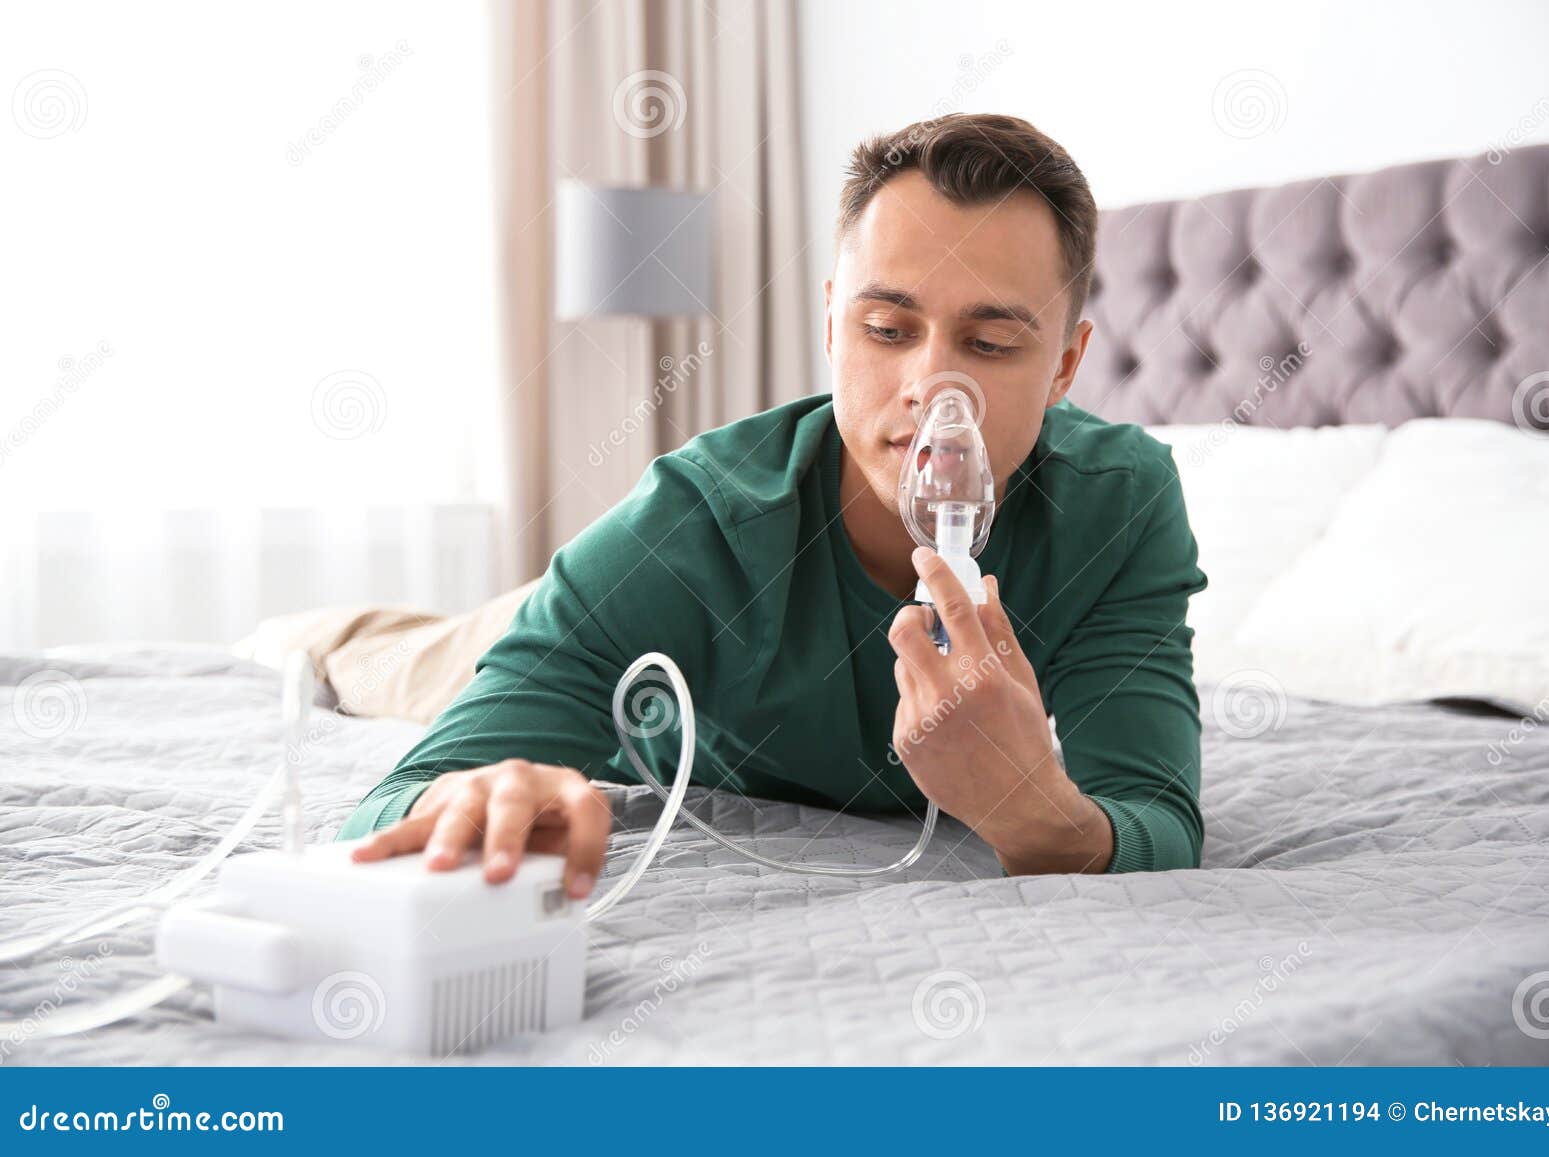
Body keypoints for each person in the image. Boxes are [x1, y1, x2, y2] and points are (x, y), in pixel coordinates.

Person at [339, 112, 1207, 899]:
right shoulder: (699, 524)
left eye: (990, 344)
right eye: (887, 331)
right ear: (832, 325)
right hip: (592, 659)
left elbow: (1156, 817)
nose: (931, 389)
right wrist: (471, 794)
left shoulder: (1117, 508)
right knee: (395, 658)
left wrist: (1031, 811)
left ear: (1064, 365)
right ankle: (333, 637)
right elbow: (391, 806)